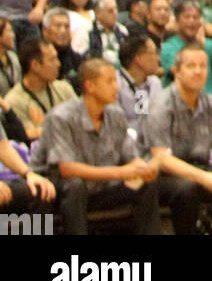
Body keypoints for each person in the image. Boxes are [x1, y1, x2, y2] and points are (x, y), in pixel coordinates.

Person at [29, 57, 161, 235]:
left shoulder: (116, 115)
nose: (116, 87)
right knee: (75, 185)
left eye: (116, 80)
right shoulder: (61, 117)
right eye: (109, 82)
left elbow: (130, 159)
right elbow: (66, 169)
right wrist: (121, 172)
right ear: (90, 87)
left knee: (147, 184)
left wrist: (143, 168)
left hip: (101, 188)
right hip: (57, 192)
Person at [142, 43, 212, 235]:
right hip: (162, 178)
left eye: (203, 66)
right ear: (176, 71)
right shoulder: (160, 105)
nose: (198, 71)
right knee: (187, 188)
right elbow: (162, 159)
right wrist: (203, 177)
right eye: (191, 66)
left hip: (200, 171)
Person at [5, 37, 77, 142]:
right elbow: (27, 135)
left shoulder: (64, 88)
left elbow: (81, 121)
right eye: (52, 60)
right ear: (35, 65)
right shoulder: (14, 101)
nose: (58, 64)